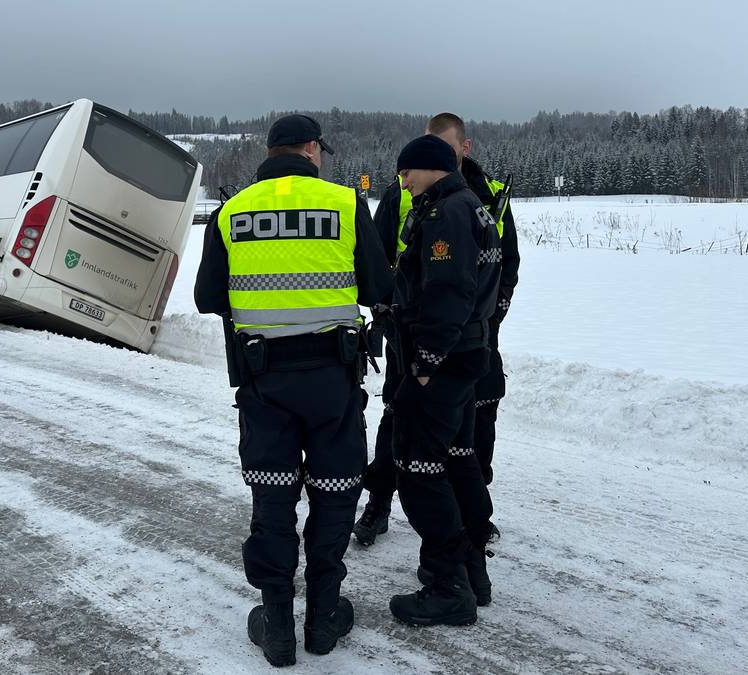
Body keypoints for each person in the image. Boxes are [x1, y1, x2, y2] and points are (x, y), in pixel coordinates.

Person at [195, 114, 393, 666]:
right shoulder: (345, 203)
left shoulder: (233, 211)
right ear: (311, 149)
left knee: (273, 499)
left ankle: (278, 626)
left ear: (270, 151)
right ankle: (324, 620)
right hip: (333, 380)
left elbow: (208, 297)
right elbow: (380, 286)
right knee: (334, 494)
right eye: (320, 150)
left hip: (264, 382)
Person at [353, 113, 518, 544]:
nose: (405, 180)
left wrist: (486, 320)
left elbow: (505, 267)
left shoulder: (490, 196)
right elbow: (379, 262)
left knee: (472, 430)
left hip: (465, 339)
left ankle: (469, 526)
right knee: (399, 418)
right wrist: (392, 321)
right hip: (417, 337)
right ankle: (380, 505)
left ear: (464, 148)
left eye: (446, 146)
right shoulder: (401, 195)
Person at [383, 134, 501, 626]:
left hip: (445, 361)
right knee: (457, 458)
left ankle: (446, 584)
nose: (402, 180)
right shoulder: (469, 205)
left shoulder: (448, 213)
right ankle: (471, 570)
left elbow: (449, 292)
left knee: (417, 467)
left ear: (430, 167)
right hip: (467, 353)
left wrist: (426, 362)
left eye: (407, 171)